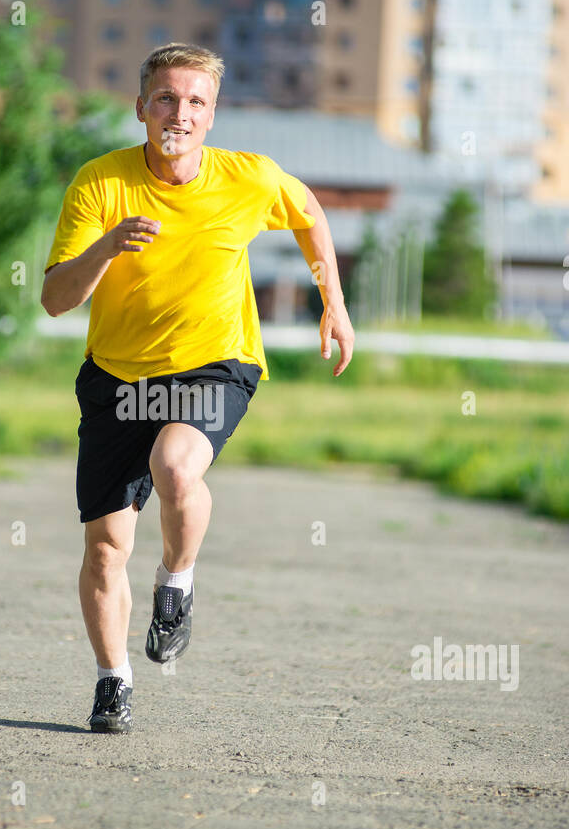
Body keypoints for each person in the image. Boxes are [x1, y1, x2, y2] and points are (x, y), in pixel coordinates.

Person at [41, 43, 354, 733]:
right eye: (165, 99)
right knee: (103, 549)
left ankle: (176, 584)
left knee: (176, 464)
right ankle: (111, 680)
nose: (178, 114)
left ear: (211, 115)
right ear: (141, 108)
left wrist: (331, 300)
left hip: (215, 363)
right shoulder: (100, 183)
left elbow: (308, 214)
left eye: (194, 102)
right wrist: (106, 247)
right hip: (117, 378)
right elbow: (55, 299)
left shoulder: (248, 178)